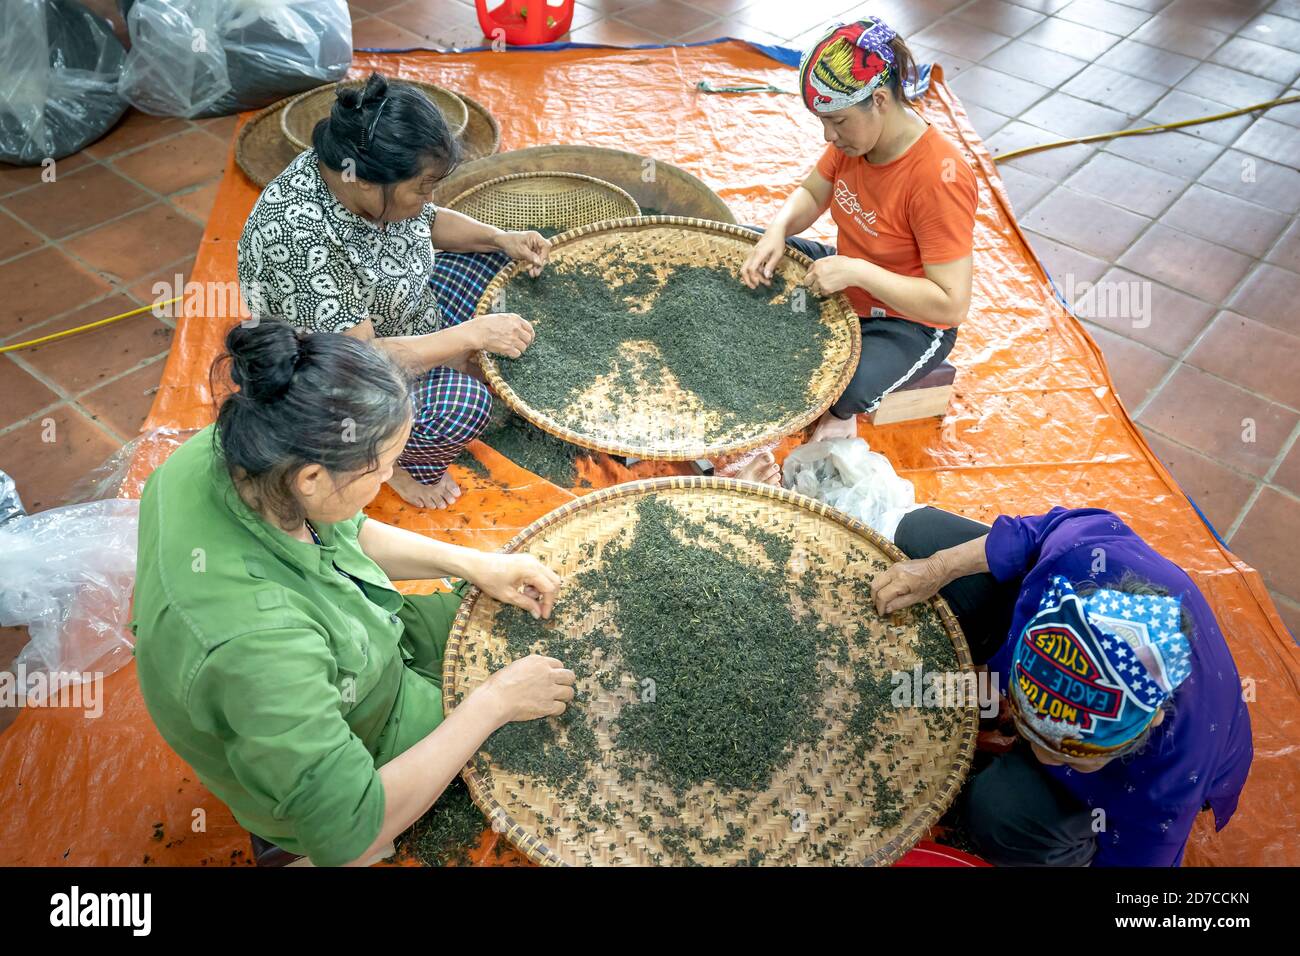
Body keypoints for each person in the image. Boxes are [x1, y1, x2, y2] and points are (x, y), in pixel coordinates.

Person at [132, 323, 575, 867]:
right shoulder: (257, 648)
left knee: (510, 617)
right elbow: (349, 827)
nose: (393, 476)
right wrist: (494, 704)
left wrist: (475, 563)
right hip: (349, 725)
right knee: (538, 740)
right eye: (383, 467)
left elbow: (341, 529)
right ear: (314, 478)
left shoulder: (251, 448)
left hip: (358, 630)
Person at [872, 505, 1254, 866]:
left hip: (1128, 781)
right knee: (922, 535)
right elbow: (1031, 535)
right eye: (1027, 730)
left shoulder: (1170, 771)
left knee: (998, 811)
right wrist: (936, 569)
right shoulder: (1085, 557)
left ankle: (1068, 849)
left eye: (1067, 755)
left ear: (1150, 721)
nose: (1042, 757)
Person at [238, 72, 550, 511]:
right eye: (423, 187)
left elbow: (427, 220)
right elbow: (365, 362)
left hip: (400, 315)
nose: (429, 198)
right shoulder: (296, 236)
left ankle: (451, 354)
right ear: (366, 181)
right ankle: (396, 464)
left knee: (501, 265)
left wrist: (500, 238)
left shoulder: (361, 176)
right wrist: (472, 337)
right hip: (345, 386)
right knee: (465, 404)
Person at [741, 17, 978, 451]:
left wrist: (859, 273)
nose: (829, 136)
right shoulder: (856, 142)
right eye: (823, 122)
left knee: (843, 391)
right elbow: (813, 192)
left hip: (910, 322)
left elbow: (951, 304)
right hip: (847, 278)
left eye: (838, 122)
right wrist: (777, 230)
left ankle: (844, 412)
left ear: (881, 100)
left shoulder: (939, 178)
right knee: (744, 245)